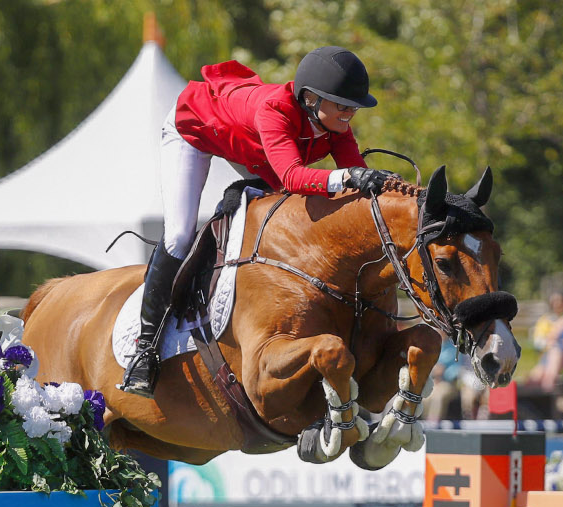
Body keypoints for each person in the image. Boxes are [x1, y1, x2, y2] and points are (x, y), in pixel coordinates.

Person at [120, 47, 397, 398]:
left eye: (353, 106)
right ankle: (144, 349)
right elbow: (296, 177)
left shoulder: (335, 125)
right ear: (310, 98)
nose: (350, 113)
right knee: (178, 235)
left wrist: (382, 186)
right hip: (194, 130)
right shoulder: (275, 110)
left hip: (254, 151)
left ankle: (242, 192)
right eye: (343, 105)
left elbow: (355, 184)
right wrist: (350, 177)